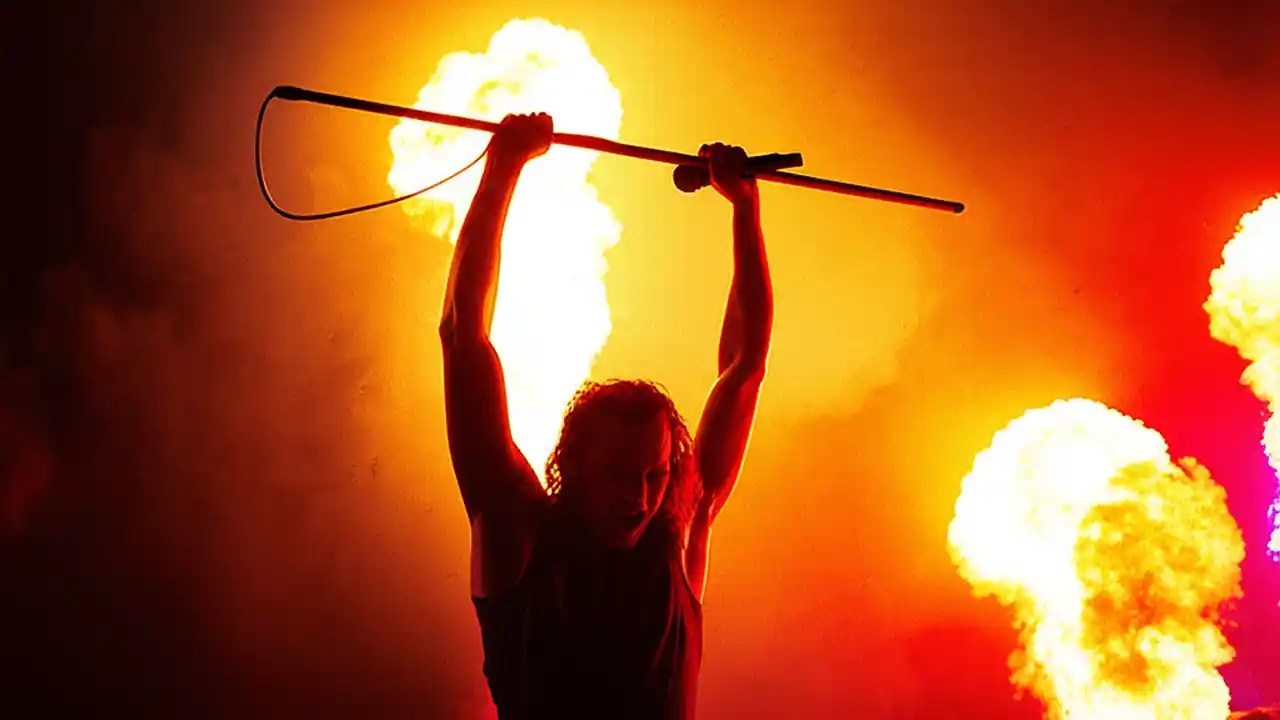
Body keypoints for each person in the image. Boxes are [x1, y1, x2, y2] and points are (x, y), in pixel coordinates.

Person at [438, 112, 773, 719]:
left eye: (653, 476)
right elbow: (464, 335)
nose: (641, 498)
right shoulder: (518, 534)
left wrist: (745, 209)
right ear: (573, 464)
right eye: (618, 475)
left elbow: (744, 367)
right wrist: (503, 166)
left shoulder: (679, 529)